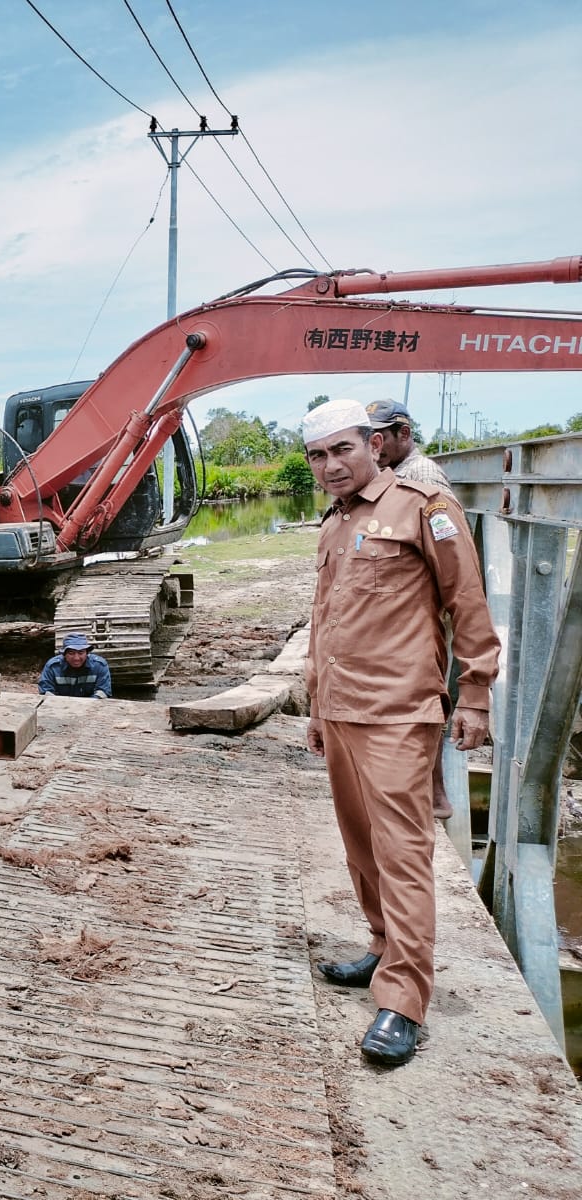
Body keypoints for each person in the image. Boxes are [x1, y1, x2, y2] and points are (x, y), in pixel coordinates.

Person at [300, 397, 499, 1067]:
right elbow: (325, 621)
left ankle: (403, 1002)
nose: (331, 465)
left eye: (342, 450)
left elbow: (465, 601)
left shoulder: (423, 508)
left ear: (372, 445)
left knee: (402, 853)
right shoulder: (334, 524)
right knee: (360, 848)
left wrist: (475, 695)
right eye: (318, 456)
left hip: (398, 714)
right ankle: (383, 945)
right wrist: (317, 706)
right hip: (342, 712)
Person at [367, 398, 459, 821]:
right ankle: (426, 794)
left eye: (381, 437)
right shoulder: (394, 474)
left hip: (421, 616)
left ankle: (434, 796)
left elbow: (450, 559)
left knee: (419, 703)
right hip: (405, 615)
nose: (374, 446)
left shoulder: (422, 477)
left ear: (405, 434)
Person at [365, 398, 452, 489]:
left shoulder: (424, 474)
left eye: (380, 439)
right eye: (367, 440)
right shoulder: (383, 472)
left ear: (404, 434)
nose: (373, 447)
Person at [37, 632, 112, 697]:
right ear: (64, 654)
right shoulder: (53, 667)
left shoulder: (99, 665)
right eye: (71, 653)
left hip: (91, 707)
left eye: (81, 652)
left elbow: (103, 691)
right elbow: (46, 692)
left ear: (87, 653)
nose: (76, 658)